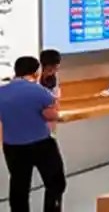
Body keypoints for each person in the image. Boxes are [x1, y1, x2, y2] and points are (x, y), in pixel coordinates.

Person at [0, 56, 65, 212]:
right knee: (55, 182)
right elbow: (51, 115)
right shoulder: (39, 91)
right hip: (41, 144)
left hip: (13, 147)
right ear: (36, 72)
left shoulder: (1, 92)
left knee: (19, 186)